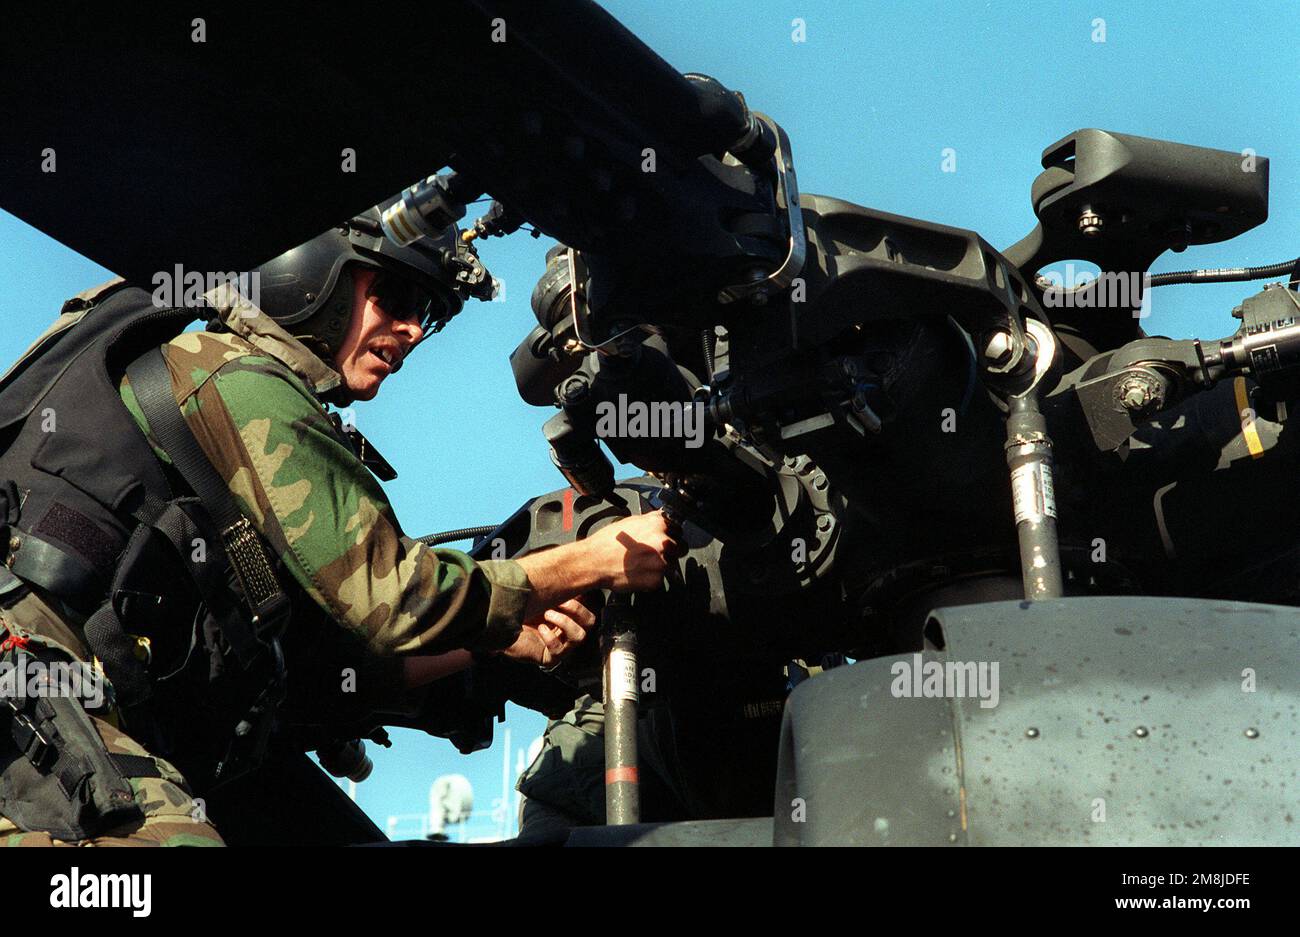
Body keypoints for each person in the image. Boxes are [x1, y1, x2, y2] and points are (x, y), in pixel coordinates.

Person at [0, 206, 679, 845]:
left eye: (427, 314)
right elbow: (397, 598)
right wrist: (593, 560)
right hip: (32, 697)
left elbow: (327, 669)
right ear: (309, 276)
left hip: (119, 713)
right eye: (397, 299)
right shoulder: (240, 380)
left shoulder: (250, 408)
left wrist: (498, 640)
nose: (413, 331)